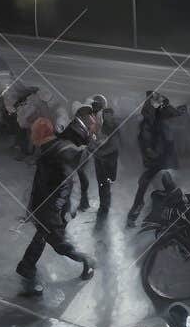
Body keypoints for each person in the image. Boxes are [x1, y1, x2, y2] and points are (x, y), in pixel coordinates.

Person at [16, 117, 94, 296]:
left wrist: (55, 211)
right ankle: (26, 266)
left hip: (53, 210)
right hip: (47, 207)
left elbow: (65, 185)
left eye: (34, 133)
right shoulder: (50, 149)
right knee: (42, 237)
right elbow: (40, 183)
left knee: (59, 244)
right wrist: (33, 207)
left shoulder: (56, 153)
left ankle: (88, 261)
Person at [126, 93, 180, 225]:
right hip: (156, 157)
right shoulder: (149, 119)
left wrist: (165, 103)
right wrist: (151, 152)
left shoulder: (161, 114)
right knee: (148, 183)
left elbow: (174, 114)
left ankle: (143, 212)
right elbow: (145, 139)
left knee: (153, 183)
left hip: (162, 157)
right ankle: (137, 212)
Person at [86, 94, 121, 217]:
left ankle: (105, 205)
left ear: (112, 116)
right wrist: (94, 146)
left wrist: (99, 152)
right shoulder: (101, 125)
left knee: (106, 182)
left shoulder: (115, 128)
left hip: (108, 160)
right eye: (105, 115)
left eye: (109, 115)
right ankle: (104, 205)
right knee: (102, 183)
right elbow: (97, 139)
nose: (107, 117)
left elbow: (114, 146)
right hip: (101, 160)